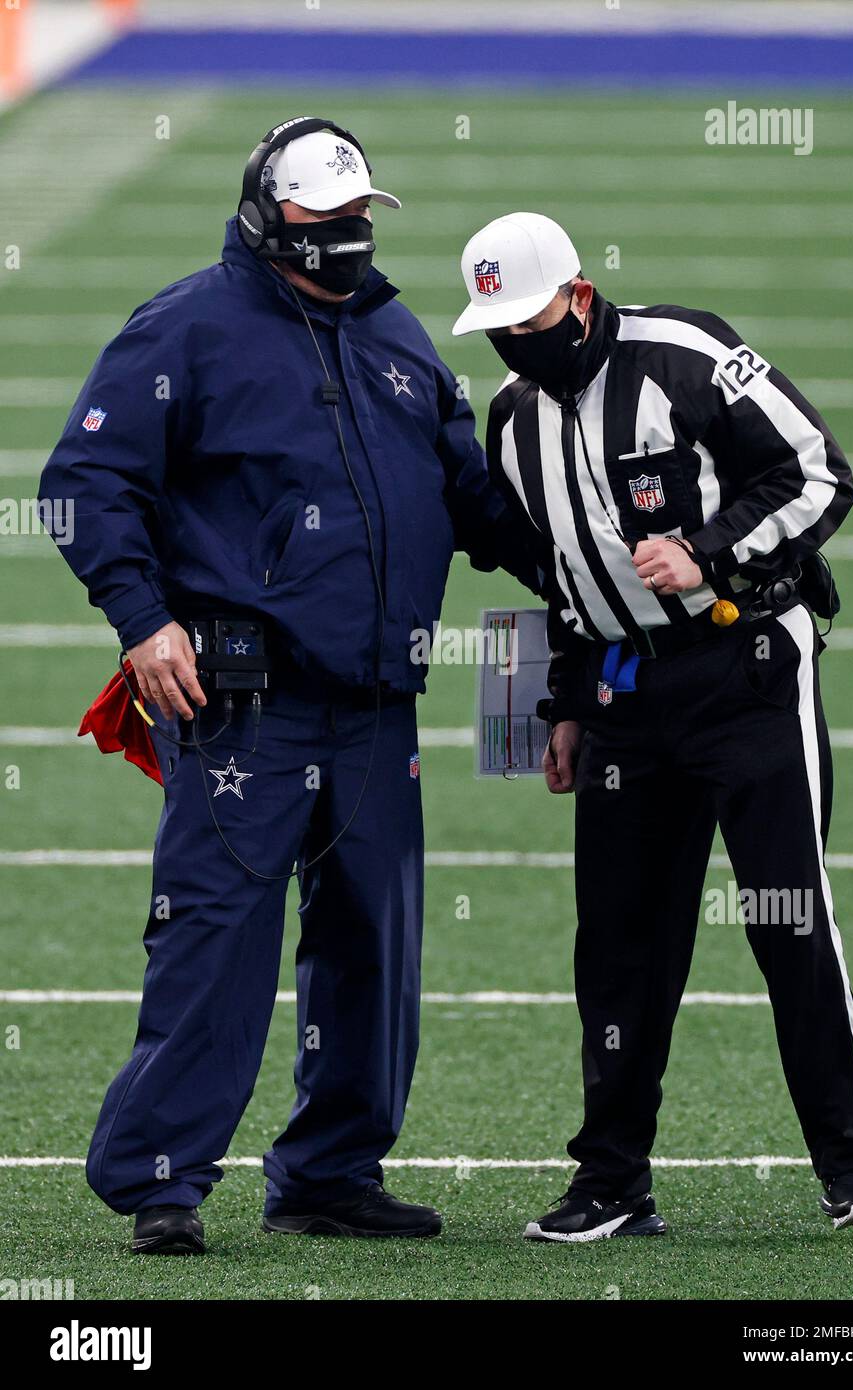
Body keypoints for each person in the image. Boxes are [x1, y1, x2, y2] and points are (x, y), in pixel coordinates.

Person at [39, 118, 537, 1254]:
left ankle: (329, 1170)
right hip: (240, 703)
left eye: (361, 219)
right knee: (215, 935)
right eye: (326, 224)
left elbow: (471, 498)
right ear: (270, 221)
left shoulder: (399, 333)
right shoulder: (187, 326)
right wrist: (142, 620)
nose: (350, 239)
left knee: (374, 936)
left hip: (375, 697)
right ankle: (160, 1176)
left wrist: (582, 556)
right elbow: (84, 480)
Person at [453, 211, 853, 1242]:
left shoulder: (684, 353)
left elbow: (820, 474)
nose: (516, 342)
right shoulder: (511, 416)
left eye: (528, 318)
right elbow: (550, 577)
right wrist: (558, 705)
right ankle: (610, 1180)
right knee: (617, 946)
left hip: (743, 673)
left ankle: (848, 1166)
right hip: (620, 699)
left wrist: (710, 552)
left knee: (787, 915)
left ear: (577, 295)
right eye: (498, 329)